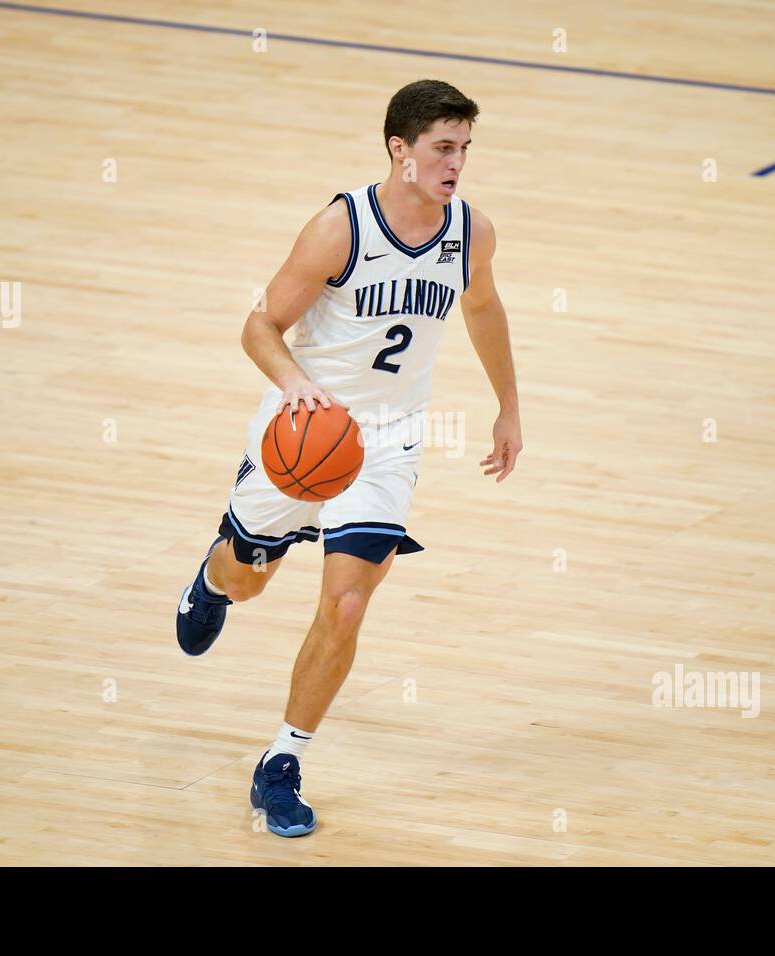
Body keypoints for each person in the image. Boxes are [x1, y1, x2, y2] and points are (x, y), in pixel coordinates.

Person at [176, 79, 521, 837]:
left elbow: (483, 306)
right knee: (248, 579)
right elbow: (260, 324)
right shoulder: (341, 228)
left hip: (387, 444)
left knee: (349, 603)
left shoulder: (472, 231)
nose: (456, 163)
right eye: (442, 148)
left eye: (464, 148)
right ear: (400, 151)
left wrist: (508, 407)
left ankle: (281, 763)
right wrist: (296, 382)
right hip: (303, 430)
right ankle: (213, 577)